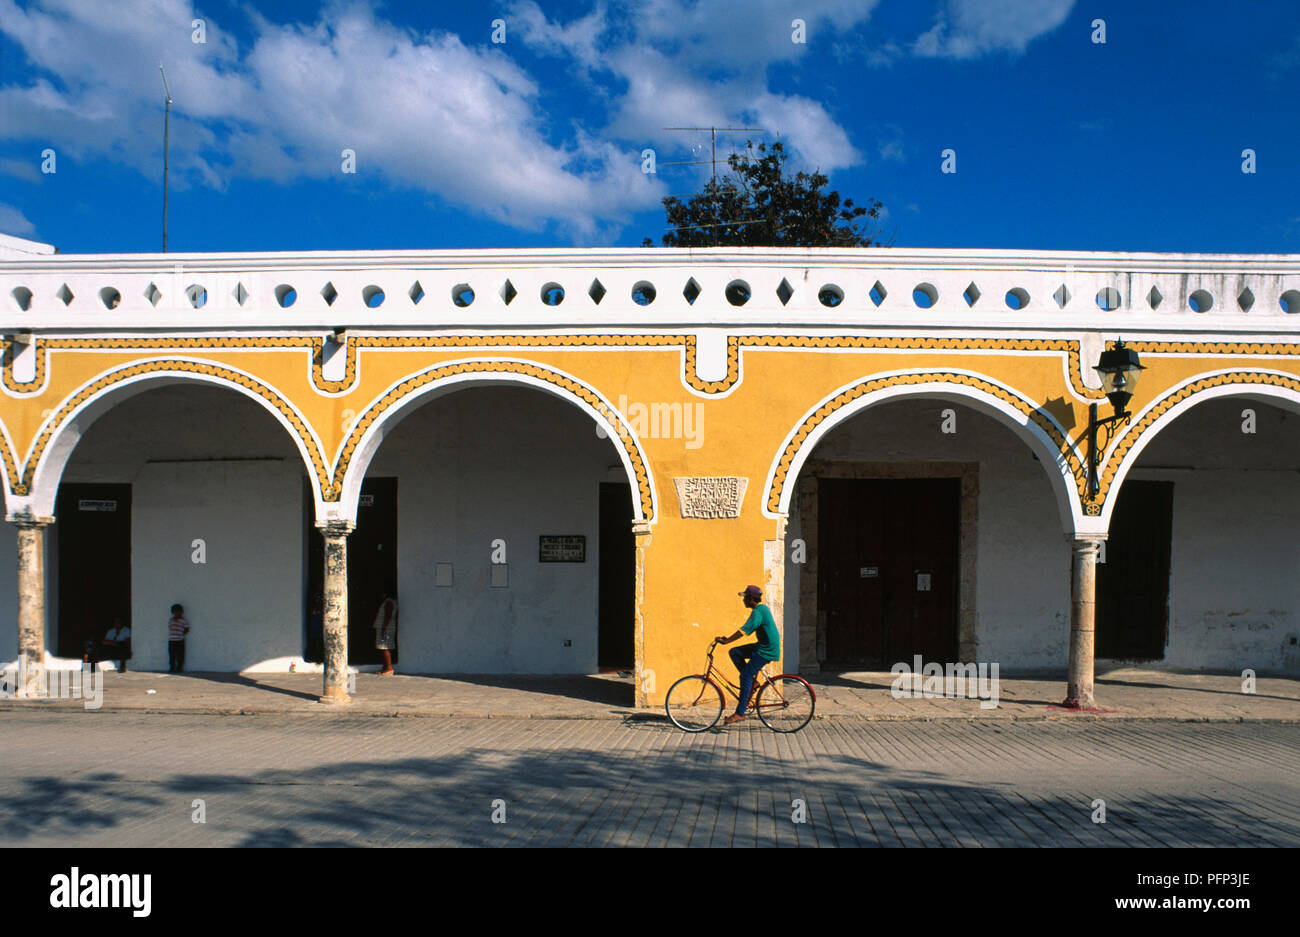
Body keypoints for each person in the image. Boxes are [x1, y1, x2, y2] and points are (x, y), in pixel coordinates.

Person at [716, 584, 781, 725]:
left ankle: (739, 713)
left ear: (751, 599)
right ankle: (753, 682)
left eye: (745, 598)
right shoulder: (760, 609)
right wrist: (728, 641)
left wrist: (727, 641)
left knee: (745, 675)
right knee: (735, 652)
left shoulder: (758, 611)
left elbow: (744, 631)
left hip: (767, 650)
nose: (743, 600)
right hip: (762, 646)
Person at [374, 585, 397, 675]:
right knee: (382, 647)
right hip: (385, 628)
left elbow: (387, 616)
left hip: (386, 630)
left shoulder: (389, 602)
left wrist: (384, 628)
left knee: (385, 646)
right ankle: (385, 667)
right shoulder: (390, 602)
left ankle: (389, 667)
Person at [168, 604, 190, 673]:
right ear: (172, 613)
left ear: (181, 612)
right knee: (172, 655)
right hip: (171, 640)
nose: (176, 614)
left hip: (180, 640)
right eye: (174, 612)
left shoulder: (183, 621)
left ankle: (179, 668)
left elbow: (187, 628)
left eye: (178, 612)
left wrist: (182, 634)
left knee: (180, 655)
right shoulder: (171, 620)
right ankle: (172, 667)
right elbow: (170, 627)